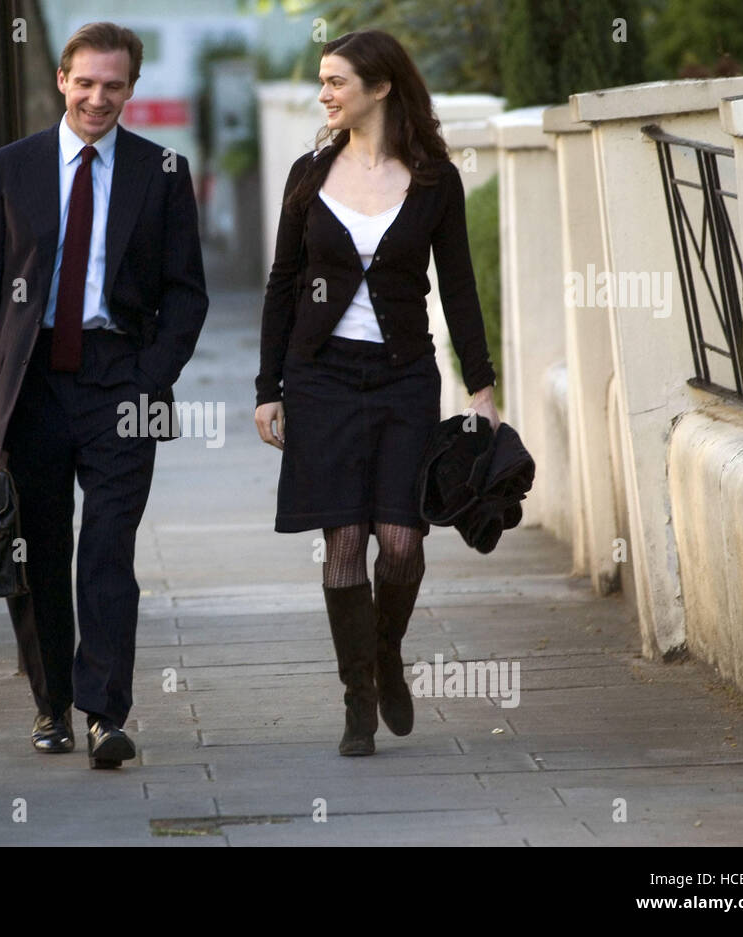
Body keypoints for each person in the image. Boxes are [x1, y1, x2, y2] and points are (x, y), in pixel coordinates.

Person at [0, 22, 208, 769]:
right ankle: (50, 703)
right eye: (86, 82)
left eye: (115, 85)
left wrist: (149, 376)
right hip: (29, 386)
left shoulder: (163, 169)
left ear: (131, 88)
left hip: (121, 384)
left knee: (106, 550)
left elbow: (186, 294)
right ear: (62, 80)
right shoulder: (9, 168)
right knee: (38, 551)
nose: (99, 97)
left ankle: (106, 712)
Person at [254, 29, 500, 756]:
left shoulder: (433, 180)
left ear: (382, 87)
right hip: (321, 378)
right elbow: (282, 285)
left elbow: (457, 287)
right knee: (344, 541)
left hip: (402, 377)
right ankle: (357, 695)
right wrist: (270, 387)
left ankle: (383, 649)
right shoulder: (309, 173)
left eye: (336, 81)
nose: (323, 94)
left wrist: (481, 389)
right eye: (322, 82)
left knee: (400, 540)